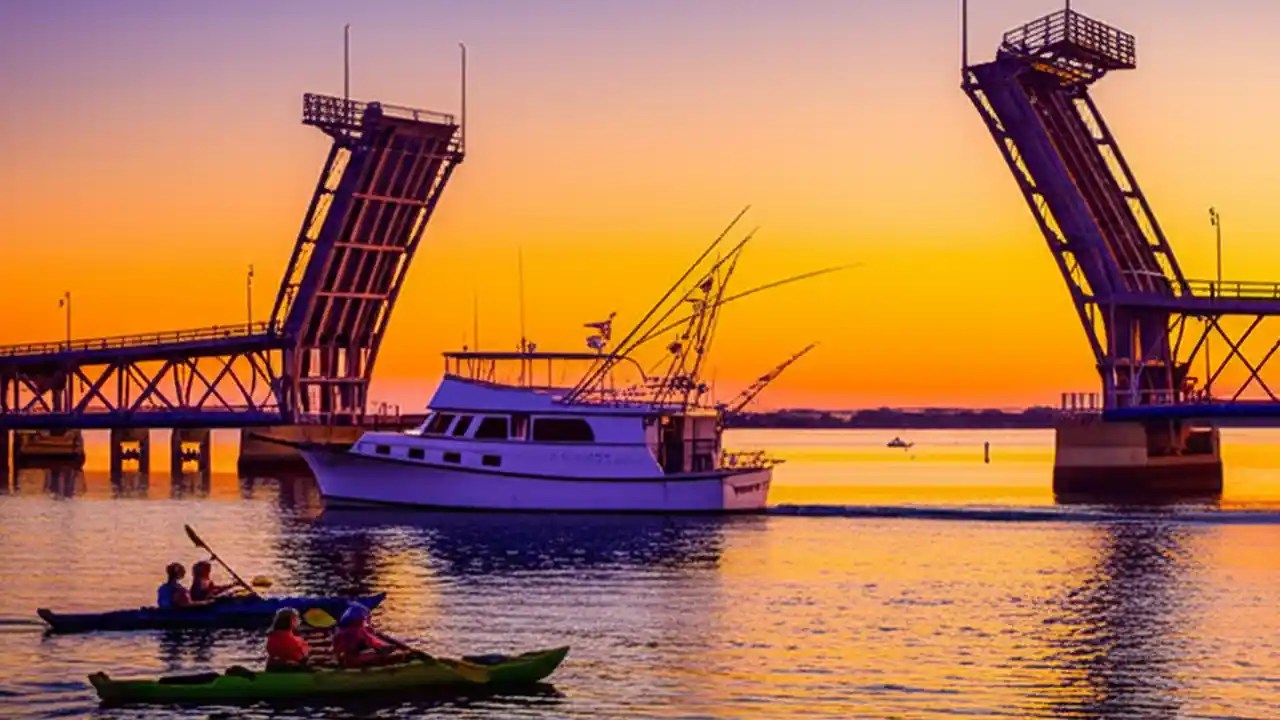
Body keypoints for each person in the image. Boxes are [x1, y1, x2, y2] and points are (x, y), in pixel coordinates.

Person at [331, 602, 416, 669]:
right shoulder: (357, 631)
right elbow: (372, 643)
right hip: (353, 661)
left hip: (345, 659)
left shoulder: (340, 631)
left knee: (377, 651)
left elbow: (336, 649)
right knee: (379, 655)